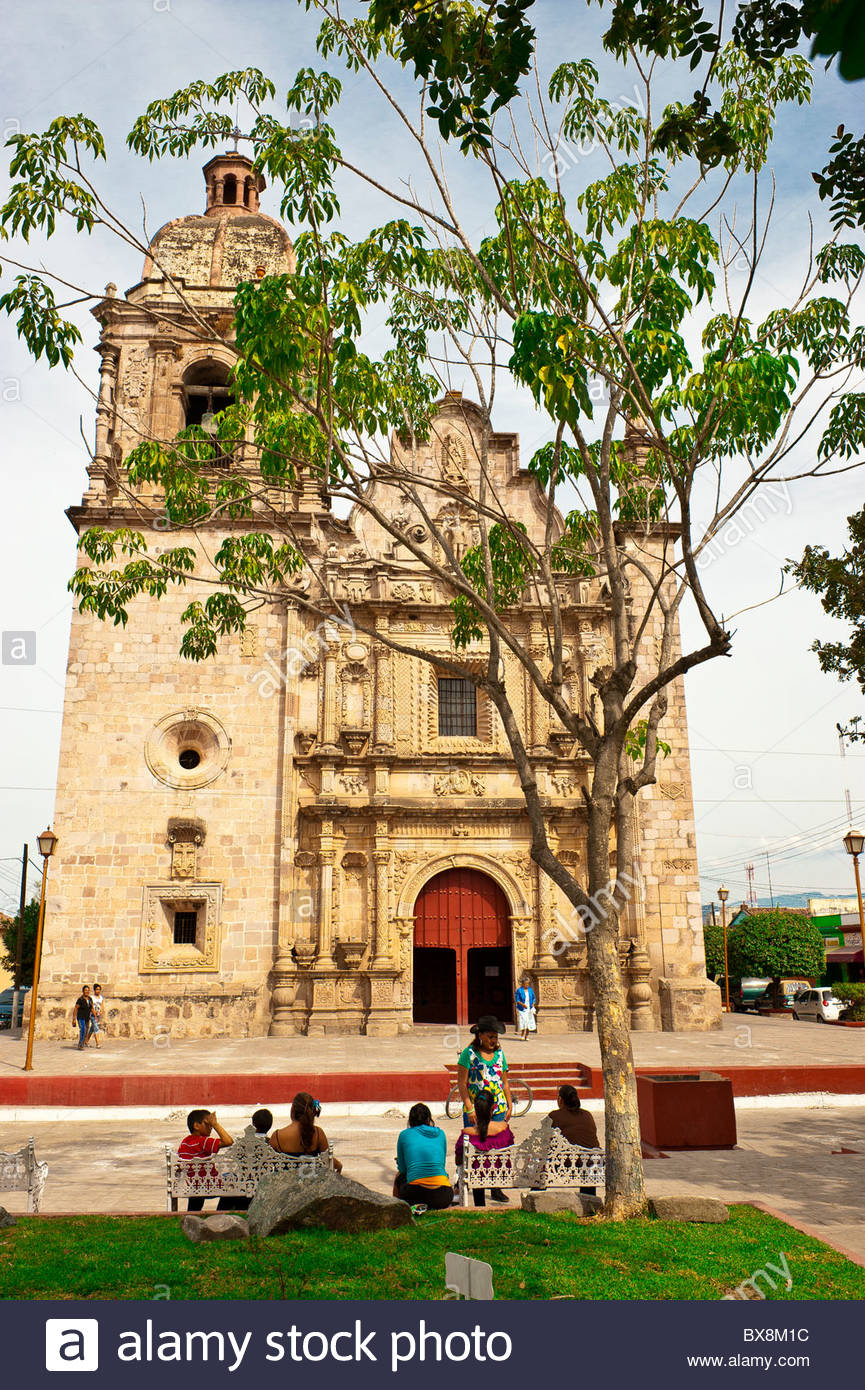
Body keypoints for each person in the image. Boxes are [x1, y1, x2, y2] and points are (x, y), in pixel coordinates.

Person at [455, 1090, 514, 1206]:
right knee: (480, 1170)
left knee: (477, 1169)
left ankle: (480, 1205)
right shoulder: (504, 1129)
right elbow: (509, 1150)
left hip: (477, 1178)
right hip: (500, 1175)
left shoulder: (467, 1133)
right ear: (493, 1108)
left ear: (475, 1110)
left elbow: (458, 1160)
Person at [392, 1103, 453, 1211]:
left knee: (398, 1176)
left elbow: (402, 1169)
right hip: (443, 1195)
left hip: (415, 1194)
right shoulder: (441, 1134)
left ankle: (396, 1210)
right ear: (428, 1119)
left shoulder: (404, 1135)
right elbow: (441, 1164)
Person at [177, 1109, 235, 1212]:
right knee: (235, 1178)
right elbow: (228, 1141)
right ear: (196, 1126)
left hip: (194, 1185)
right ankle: (221, 1211)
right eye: (208, 1124)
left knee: (198, 1179)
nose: (211, 1127)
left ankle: (193, 1212)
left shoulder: (184, 1143)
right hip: (211, 1184)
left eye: (212, 1125)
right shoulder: (203, 1142)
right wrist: (216, 1124)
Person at [269, 1092, 343, 1172]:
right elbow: (329, 1160)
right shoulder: (318, 1133)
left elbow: (267, 1162)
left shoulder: (277, 1136)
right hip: (312, 1182)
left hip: (284, 1183)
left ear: (292, 1109)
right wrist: (339, 1166)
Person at [549, 1083, 600, 1195]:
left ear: (560, 1100)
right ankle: (589, 1199)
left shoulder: (554, 1116)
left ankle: (535, 1195)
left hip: (565, 1164)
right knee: (587, 1160)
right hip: (592, 1163)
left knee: (542, 1163)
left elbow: (547, 1143)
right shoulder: (587, 1115)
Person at [514, 975, 537, 1041]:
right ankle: (522, 1035)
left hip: (529, 1007)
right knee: (524, 1021)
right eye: (526, 983)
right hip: (522, 1008)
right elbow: (517, 1000)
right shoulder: (519, 990)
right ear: (523, 984)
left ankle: (526, 1035)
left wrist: (533, 1003)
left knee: (529, 1022)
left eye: (528, 983)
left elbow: (533, 998)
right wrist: (523, 1004)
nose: (527, 985)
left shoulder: (530, 990)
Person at [72, 985, 94, 1050]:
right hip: (81, 1017)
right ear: (83, 991)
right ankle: (80, 1045)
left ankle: (83, 1043)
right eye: (85, 990)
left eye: (88, 990)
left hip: (87, 1018)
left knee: (86, 1031)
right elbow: (76, 1008)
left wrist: (95, 1016)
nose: (87, 992)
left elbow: (92, 1008)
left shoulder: (90, 999)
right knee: (83, 1030)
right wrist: (74, 1019)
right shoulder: (80, 999)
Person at [88, 983, 105, 1049]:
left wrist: (101, 1011)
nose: (98, 991)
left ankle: (86, 1041)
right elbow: (91, 1006)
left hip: (98, 1015)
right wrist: (94, 1013)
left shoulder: (101, 997)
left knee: (92, 1028)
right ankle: (97, 1043)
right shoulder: (91, 998)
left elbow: (102, 1005)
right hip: (92, 1015)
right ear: (94, 990)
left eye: (99, 989)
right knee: (96, 1028)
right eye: (97, 989)